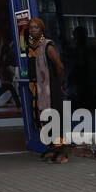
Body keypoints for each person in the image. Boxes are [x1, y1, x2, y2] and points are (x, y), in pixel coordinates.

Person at [27, 17, 70, 164]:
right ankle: (52, 148)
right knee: (45, 119)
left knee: (56, 118)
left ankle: (62, 151)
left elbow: (60, 66)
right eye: (31, 27)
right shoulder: (32, 47)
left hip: (52, 88)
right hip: (41, 89)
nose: (33, 30)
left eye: (36, 27)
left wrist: (59, 83)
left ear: (42, 29)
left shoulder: (48, 46)